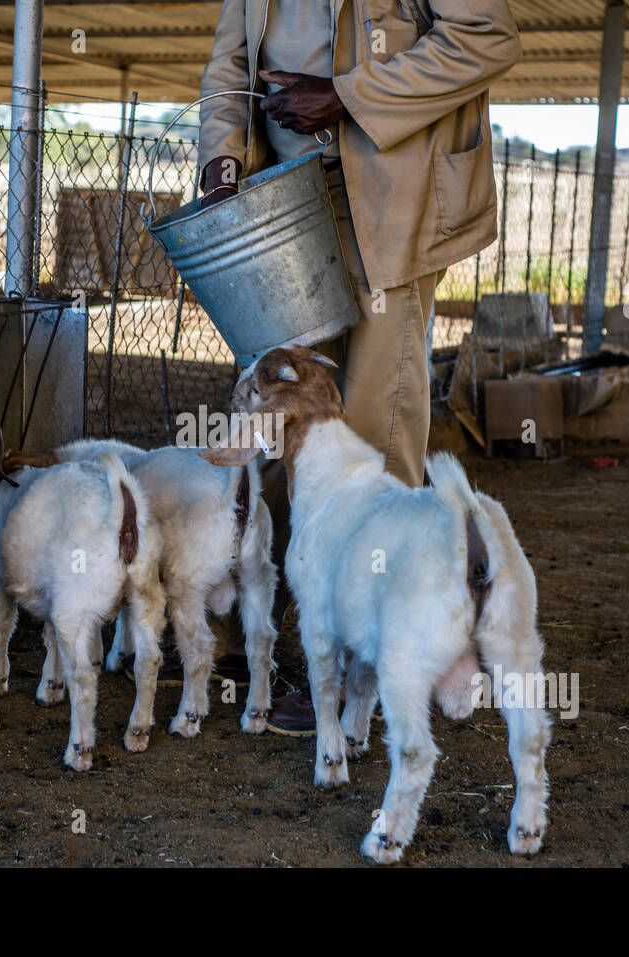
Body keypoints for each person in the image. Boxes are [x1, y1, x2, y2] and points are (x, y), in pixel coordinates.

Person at [196, 0, 521, 733]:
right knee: (277, 428)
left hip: (391, 203)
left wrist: (346, 96)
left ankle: (360, 663)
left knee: (373, 428)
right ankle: (277, 632)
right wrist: (223, 155)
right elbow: (228, 64)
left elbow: (488, 37)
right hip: (281, 210)